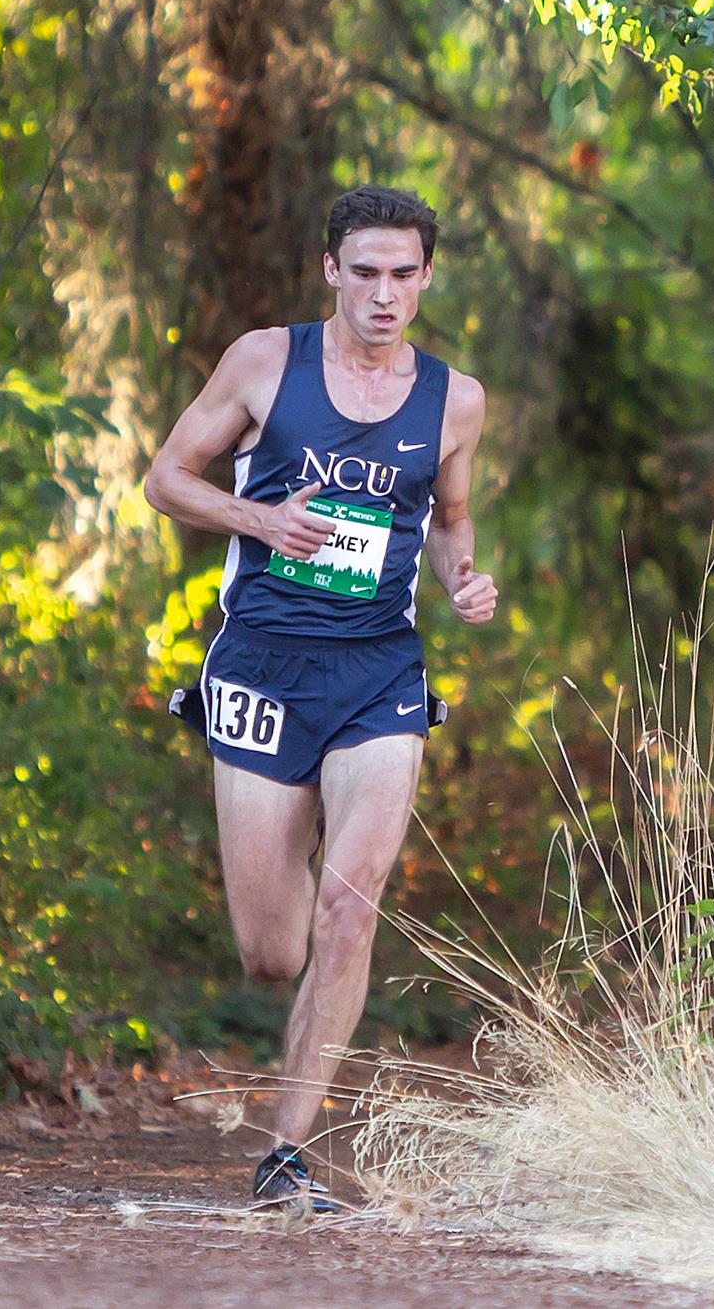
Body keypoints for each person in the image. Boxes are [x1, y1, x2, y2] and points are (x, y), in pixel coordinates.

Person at [144, 185, 496, 1211]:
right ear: (331, 270)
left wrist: (461, 577)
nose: (384, 294)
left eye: (403, 274)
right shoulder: (266, 362)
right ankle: (284, 836)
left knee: (352, 904)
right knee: (273, 951)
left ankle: (286, 1151)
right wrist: (261, 521)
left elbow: (449, 518)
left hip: (378, 671)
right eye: (366, 272)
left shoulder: (455, 399)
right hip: (261, 665)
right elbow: (166, 479)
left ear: (426, 277)